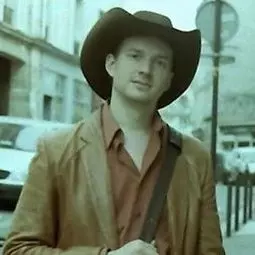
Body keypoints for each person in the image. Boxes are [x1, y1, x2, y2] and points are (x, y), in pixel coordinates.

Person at [3, 7, 225, 255]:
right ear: (111, 64)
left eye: (159, 62)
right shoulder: (56, 151)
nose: (146, 69)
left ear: (169, 79)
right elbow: (17, 250)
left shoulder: (195, 159)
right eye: (135, 56)